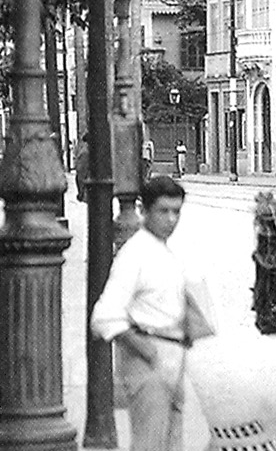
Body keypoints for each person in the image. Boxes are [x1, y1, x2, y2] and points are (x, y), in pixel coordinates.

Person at [90, 176, 211, 451]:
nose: (171, 219)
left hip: (173, 355)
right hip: (149, 361)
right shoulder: (134, 254)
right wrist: (146, 351)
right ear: (145, 211)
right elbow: (104, 316)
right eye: (163, 211)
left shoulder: (163, 250)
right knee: (149, 445)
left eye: (176, 211)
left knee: (171, 443)